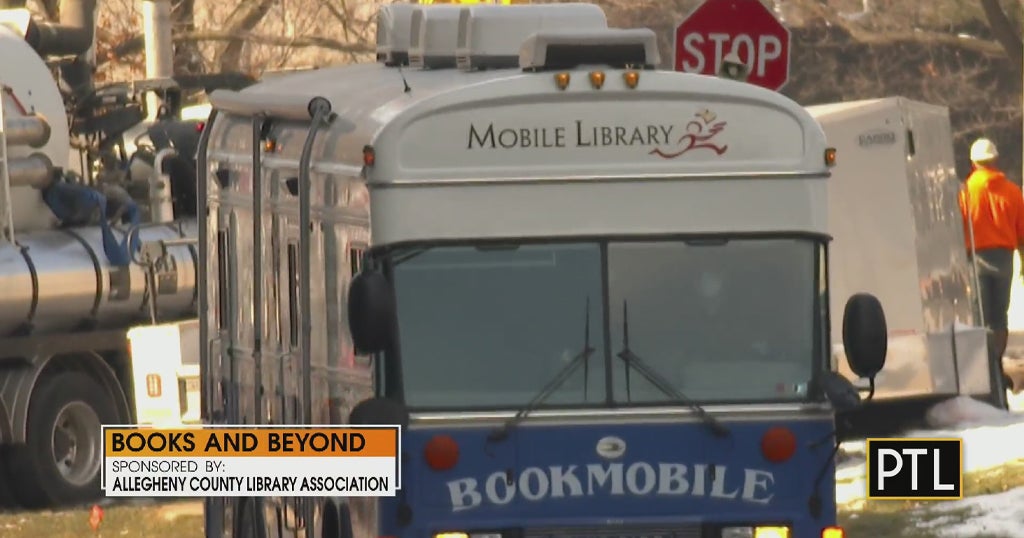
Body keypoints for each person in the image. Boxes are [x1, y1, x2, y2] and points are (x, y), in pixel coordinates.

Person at [958, 137, 1024, 393]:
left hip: (976, 257)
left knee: (981, 316)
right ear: (994, 160)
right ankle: (996, 362)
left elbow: (959, 226)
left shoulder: (965, 192)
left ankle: (987, 369)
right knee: (1000, 316)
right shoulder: (1013, 191)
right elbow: (1022, 232)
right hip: (1005, 258)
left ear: (974, 162)